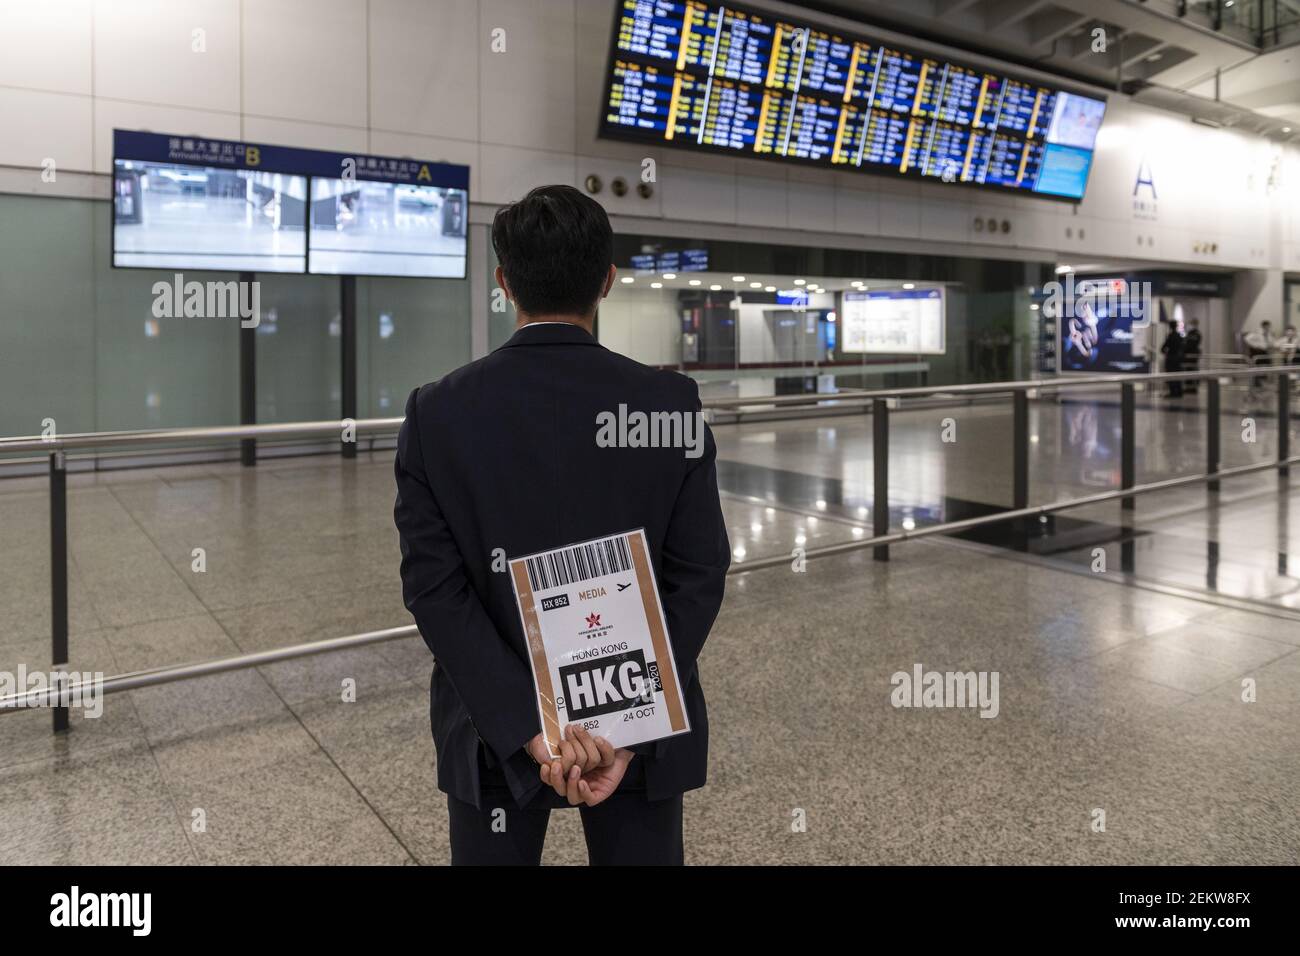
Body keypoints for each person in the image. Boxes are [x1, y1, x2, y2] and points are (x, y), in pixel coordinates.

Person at [393, 185, 730, 866]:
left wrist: (529, 729)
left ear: (503, 283)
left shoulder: (438, 414)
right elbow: (698, 572)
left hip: (492, 729)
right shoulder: (668, 405)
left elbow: (435, 589)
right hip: (641, 729)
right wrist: (625, 727)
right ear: (607, 280)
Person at [1244, 321, 1274, 387]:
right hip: (1257, 352)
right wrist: (1255, 346)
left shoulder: (1268, 334)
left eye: (1269, 326)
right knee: (1257, 368)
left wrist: (1270, 345)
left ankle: (1265, 381)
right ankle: (1257, 383)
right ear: (1263, 326)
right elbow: (1247, 339)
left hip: (1265, 352)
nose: (1268, 328)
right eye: (1267, 326)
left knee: (1267, 366)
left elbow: (1271, 342)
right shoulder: (1257, 332)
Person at [1161, 320, 1185, 398]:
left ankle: (1173, 392)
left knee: (1171, 376)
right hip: (1178, 359)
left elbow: (1163, 348)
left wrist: (1167, 353)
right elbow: (1183, 347)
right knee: (1178, 375)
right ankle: (1179, 391)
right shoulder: (1179, 336)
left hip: (1171, 359)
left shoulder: (1170, 336)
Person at [1182, 316, 1202, 394]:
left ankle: (1193, 388)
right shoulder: (1190, 333)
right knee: (1188, 371)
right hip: (1188, 355)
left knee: (1193, 371)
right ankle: (1189, 387)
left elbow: (1190, 344)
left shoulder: (1196, 334)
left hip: (1192, 355)